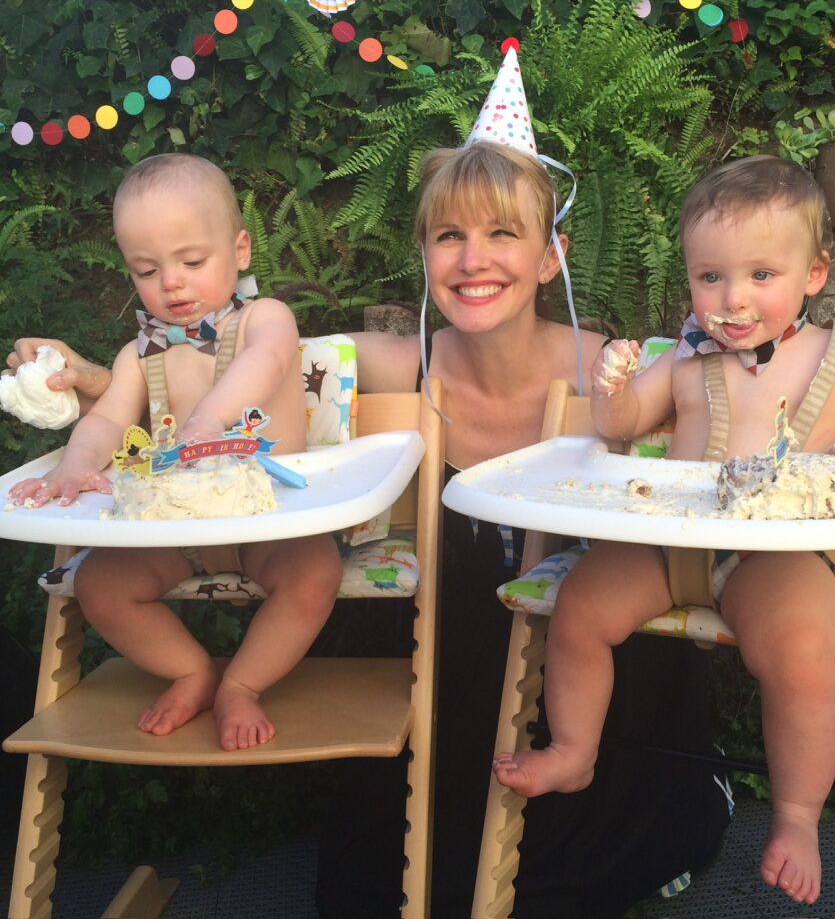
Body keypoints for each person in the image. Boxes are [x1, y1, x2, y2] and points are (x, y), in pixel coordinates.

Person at [7, 142, 733, 917]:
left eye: (502, 233)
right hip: (439, 711)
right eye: (449, 235)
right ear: (424, 253)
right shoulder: (394, 364)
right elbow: (219, 369)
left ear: (552, 255)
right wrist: (87, 381)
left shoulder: (619, 372)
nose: (473, 259)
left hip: (594, 701)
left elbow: (742, 393)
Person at [492, 155, 835, 907]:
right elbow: (623, 424)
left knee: (800, 655)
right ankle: (574, 749)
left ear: (814, 274)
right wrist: (613, 389)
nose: (733, 298)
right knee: (581, 607)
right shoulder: (686, 359)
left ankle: (796, 815)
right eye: (711, 277)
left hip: (777, 555)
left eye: (761, 275)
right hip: (670, 542)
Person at [6, 153, 342, 754]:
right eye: (147, 269)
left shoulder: (265, 320)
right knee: (99, 584)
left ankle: (242, 684)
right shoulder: (141, 356)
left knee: (316, 575)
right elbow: (107, 419)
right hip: (173, 527)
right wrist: (76, 464)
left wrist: (207, 419)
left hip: (269, 521)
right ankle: (192, 672)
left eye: (191, 261)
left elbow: (264, 363)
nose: (172, 282)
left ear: (240, 250)